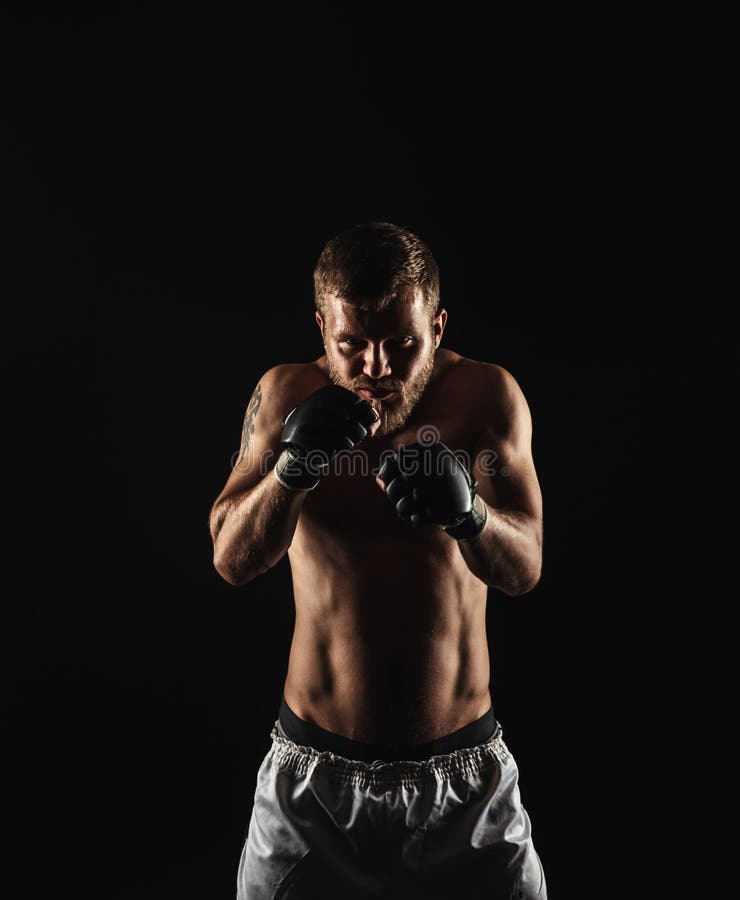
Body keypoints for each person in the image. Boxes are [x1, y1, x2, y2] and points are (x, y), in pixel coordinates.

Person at [209, 222, 547, 899]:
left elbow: (525, 566)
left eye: (403, 345)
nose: (377, 368)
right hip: (313, 791)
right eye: (351, 345)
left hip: (467, 788)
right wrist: (291, 473)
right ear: (321, 329)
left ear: (439, 325)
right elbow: (232, 558)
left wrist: (470, 515)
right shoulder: (282, 397)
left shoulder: (488, 398)